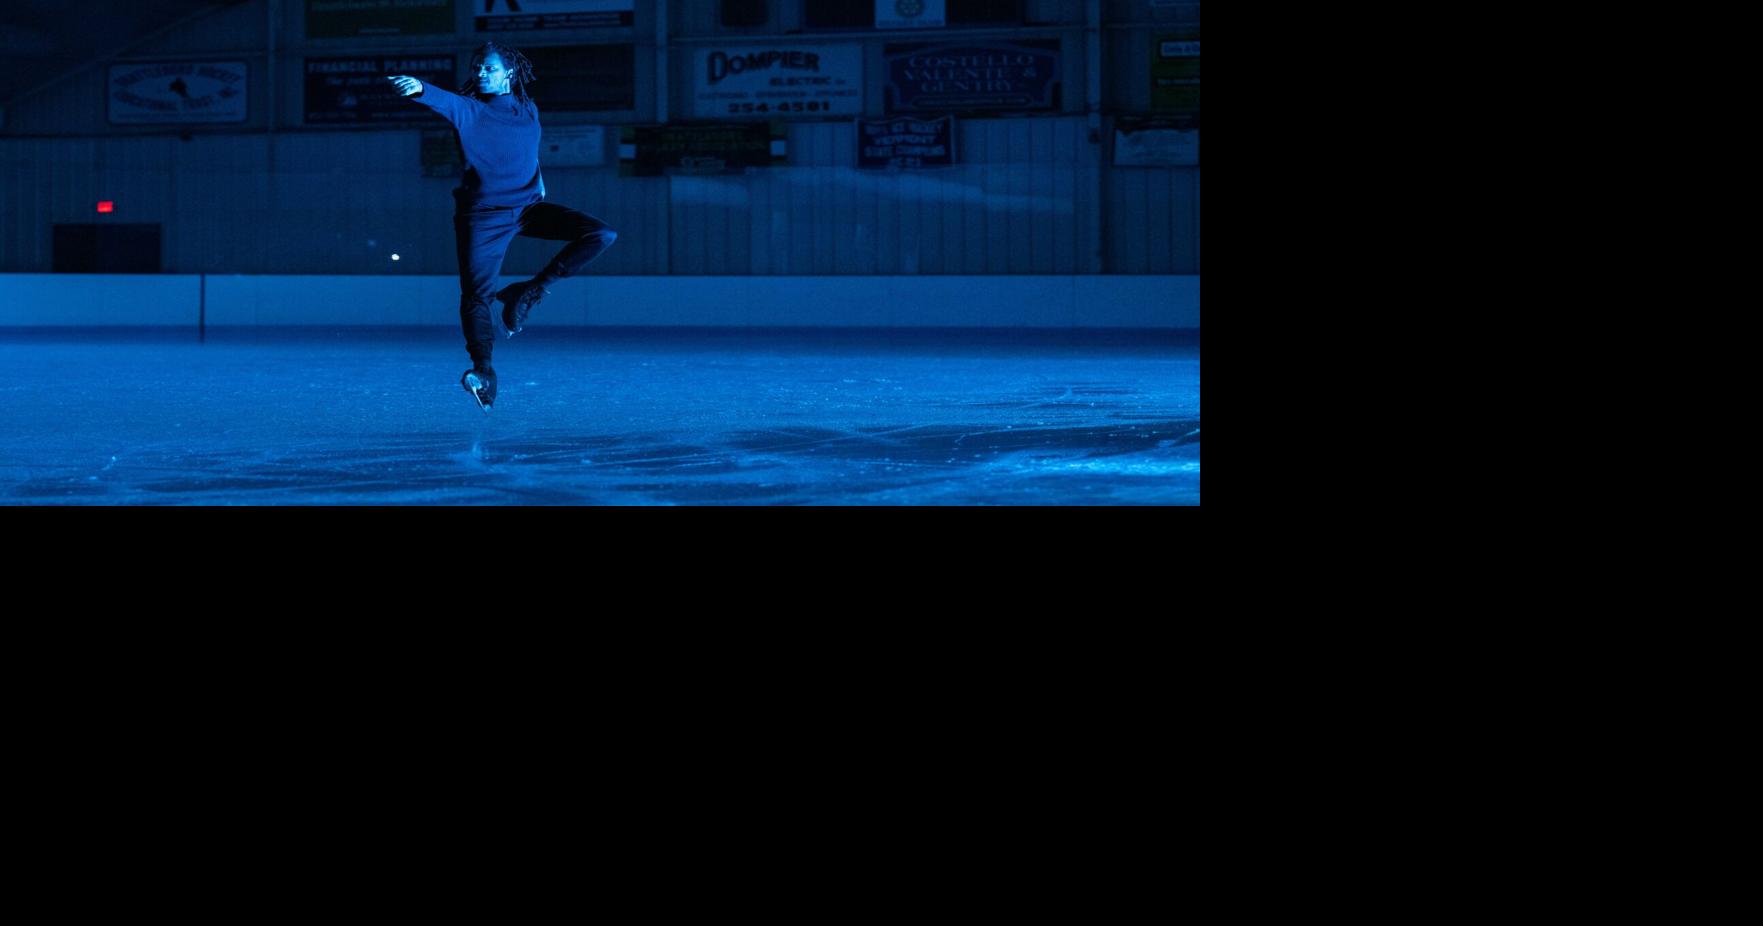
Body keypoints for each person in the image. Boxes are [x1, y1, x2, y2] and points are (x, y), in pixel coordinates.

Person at [388, 44, 618, 412]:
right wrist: (416, 86)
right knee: (476, 294)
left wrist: (539, 182)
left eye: (489, 68)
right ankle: (484, 372)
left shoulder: (528, 108)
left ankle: (527, 292)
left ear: (509, 73)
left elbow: (528, 150)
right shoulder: (471, 111)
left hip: (528, 207)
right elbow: (438, 98)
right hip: (483, 217)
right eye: (477, 67)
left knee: (601, 234)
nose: (481, 72)